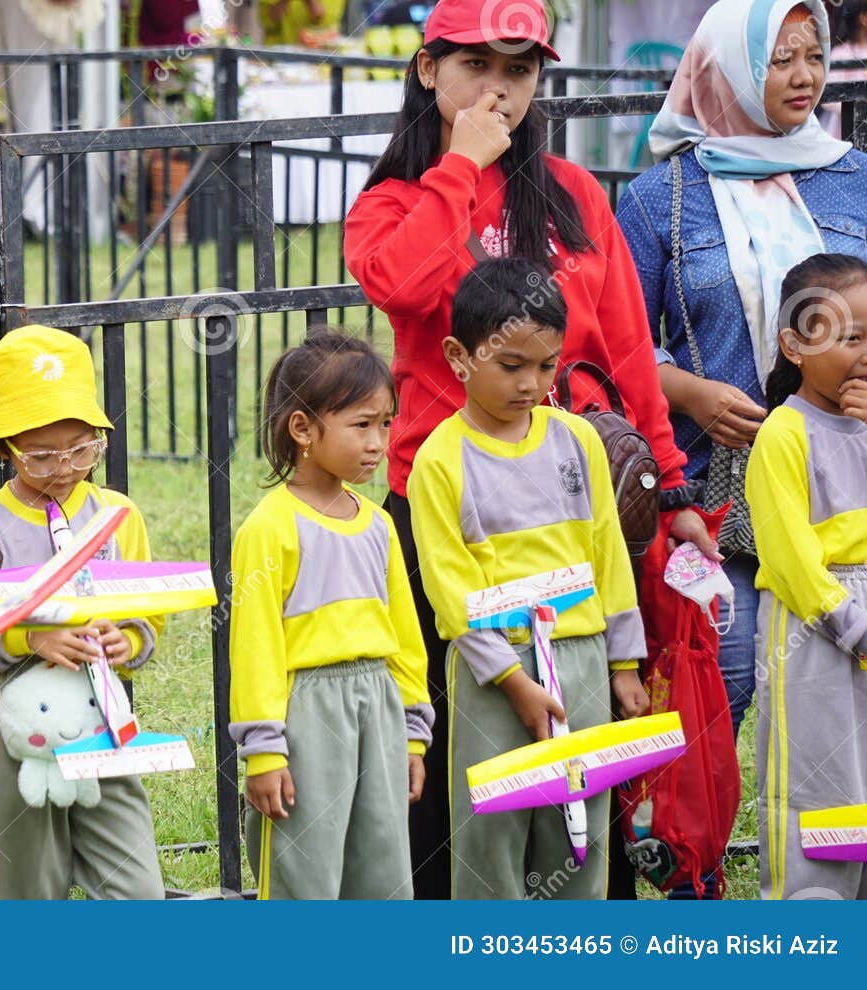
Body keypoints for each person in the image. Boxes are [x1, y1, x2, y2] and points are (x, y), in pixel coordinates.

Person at [343, 0, 707, 900]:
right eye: (479, 66)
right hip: (445, 503)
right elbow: (400, 284)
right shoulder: (394, 200)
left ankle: (584, 914)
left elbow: (625, 346)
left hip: (571, 494)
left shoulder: (576, 195)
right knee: (460, 722)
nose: (501, 90)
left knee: (581, 716)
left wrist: (668, 489)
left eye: (522, 70)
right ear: (429, 70)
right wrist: (462, 165)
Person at [619, 0, 867, 747]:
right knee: (719, 687)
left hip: (843, 484)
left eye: (814, 56)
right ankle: (694, 859)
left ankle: (827, 858)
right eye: (778, 60)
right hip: (712, 492)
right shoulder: (659, 196)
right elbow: (615, 339)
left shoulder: (854, 179)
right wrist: (688, 390)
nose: (804, 78)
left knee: (840, 695)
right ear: (728, 64)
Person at [409, 259, 650, 900]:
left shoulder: (577, 440)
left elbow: (608, 555)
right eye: (510, 365)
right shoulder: (439, 459)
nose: (531, 383)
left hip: (583, 659)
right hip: (497, 670)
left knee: (582, 825)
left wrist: (623, 664)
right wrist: (513, 680)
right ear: (459, 357)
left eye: (546, 366)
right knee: (493, 828)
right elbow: (451, 592)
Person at [0, 324, 164, 899]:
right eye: (41, 456)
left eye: (82, 449)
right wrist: (30, 639)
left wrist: (132, 642)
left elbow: (147, 611)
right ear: (3, 450)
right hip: (13, 723)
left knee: (134, 887)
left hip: (102, 720)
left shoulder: (119, 515)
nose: (65, 468)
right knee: (27, 882)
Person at [229, 330, 431, 900]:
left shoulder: (380, 525)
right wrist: (265, 751)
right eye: (361, 424)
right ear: (302, 430)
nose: (378, 442)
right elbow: (255, 650)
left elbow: (406, 641)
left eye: (386, 424)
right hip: (307, 717)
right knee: (306, 873)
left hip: (380, 712)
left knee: (382, 868)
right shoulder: (268, 529)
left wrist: (412, 737)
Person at [747, 253, 867, 901]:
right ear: (795, 344)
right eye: (851, 337)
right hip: (816, 633)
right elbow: (792, 559)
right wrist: (856, 627)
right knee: (817, 790)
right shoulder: (785, 434)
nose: (865, 352)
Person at [824, 0, 867, 137]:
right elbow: (829, 95)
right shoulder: (840, 53)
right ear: (863, 18)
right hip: (843, 126)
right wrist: (856, 110)